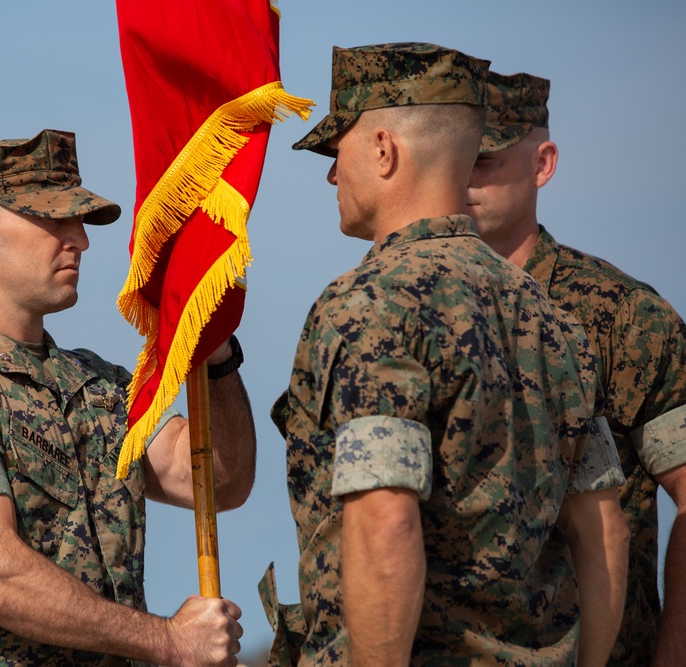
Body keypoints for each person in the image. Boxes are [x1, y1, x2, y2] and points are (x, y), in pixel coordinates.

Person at [265, 43, 629, 665]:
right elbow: (602, 533)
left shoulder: (371, 305)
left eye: (338, 151)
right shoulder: (551, 317)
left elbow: (387, 523)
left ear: (383, 149)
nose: (331, 174)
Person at [0, 130, 257, 667]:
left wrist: (217, 354)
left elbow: (219, 481)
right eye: (52, 219)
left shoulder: (95, 383)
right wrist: (167, 641)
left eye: (80, 222)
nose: (80, 241)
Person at [467, 72, 686, 666]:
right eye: (454, 153)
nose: (463, 176)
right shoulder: (408, 309)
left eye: (484, 157)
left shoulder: (622, 316)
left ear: (543, 164)